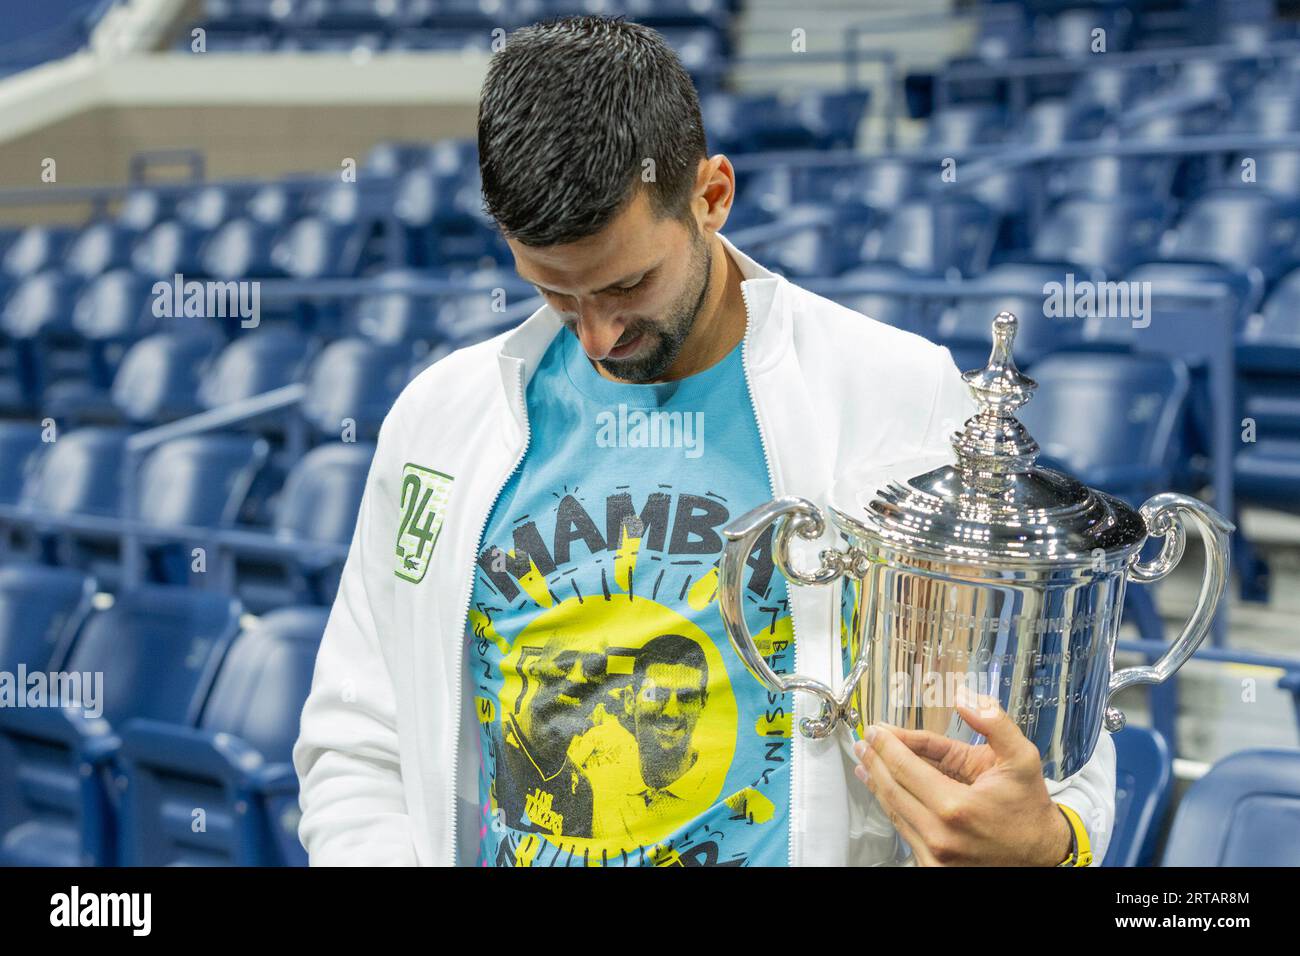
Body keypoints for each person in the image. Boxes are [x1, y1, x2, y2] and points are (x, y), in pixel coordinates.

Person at [293, 15, 1115, 867]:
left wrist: (1056, 841)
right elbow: (360, 733)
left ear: (712, 194)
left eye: (628, 284)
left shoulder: (895, 393)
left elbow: (1039, 715)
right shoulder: (439, 421)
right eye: (555, 294)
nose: (598, 337)